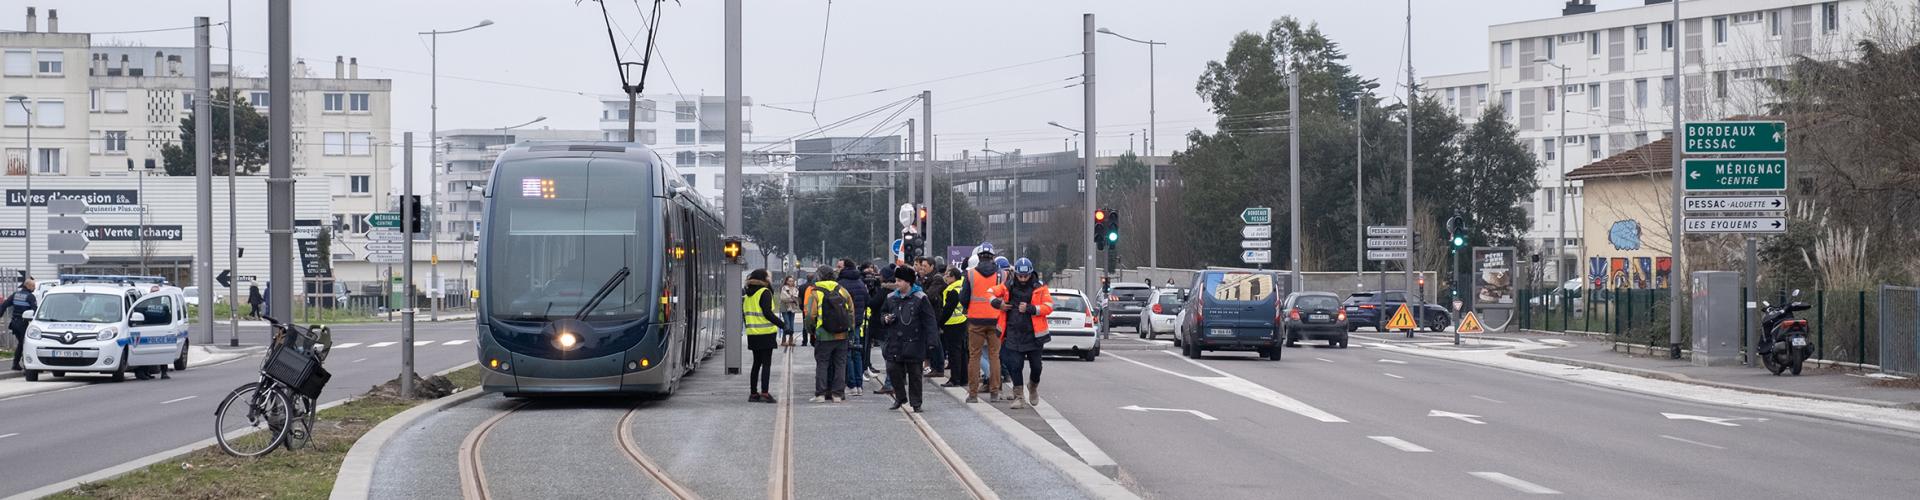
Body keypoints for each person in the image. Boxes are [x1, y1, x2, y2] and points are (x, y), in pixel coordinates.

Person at [874, 267, 938, 412]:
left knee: (915, 374)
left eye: (900, 280)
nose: (896, 283)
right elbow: (883, 313)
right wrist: (885, 318)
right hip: (895, 341)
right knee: (892, 369)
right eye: (896, 280)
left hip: (914, 341)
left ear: (908, 282)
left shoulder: (920, 297)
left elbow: (930, 320)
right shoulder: (891, 297)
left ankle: (916, 403)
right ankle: (900, 397)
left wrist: (932, 341)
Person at [996, 258, 1052, 409]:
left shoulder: (1040, 288)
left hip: (1034, 334)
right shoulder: (1008, 286)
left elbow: (1048, 307)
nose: (1022, 279)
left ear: (1030, 274)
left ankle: (1033, 386)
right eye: (1019, 276)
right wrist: (998, 303)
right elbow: (991, 293)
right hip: (1013, 332)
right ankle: (1019, 396)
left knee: (1036, 366)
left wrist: (1031, 309)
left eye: (1025, 276)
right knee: (1015, 365)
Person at [956, 243, 1006, 403]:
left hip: (975, 320)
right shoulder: (1002, 275)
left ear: (978, 257)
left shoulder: (970, 274)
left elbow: (963, 297)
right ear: (993, 256)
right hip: (996, 320)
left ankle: (972, 394)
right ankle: (994, 393)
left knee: (974, 356)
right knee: (994, 356)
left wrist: (968, 307)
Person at [804, 266, 853, 403]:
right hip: (842, 334)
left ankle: (820, 393)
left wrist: (811, 330)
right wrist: (850, 329)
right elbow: (851, 312)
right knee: (840, 364)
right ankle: (837, 394)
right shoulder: (843, 291)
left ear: (819, 276)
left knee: (822, 364)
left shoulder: (816, 293)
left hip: (823, 335)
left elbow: (810, 316)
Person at [743, 269, 788, 403]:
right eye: (768, 276)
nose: (770, 278)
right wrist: (783, 325)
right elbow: (768, 313)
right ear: (764, 278)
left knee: (756, 363)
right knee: (766, 364)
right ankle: (765, 393)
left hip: (753, 334)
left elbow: (745, 315)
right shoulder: (765, 292)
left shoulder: (747, 295)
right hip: (766, 333)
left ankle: (753, 393)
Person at [836, 261, 871, 397]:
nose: (837, 269)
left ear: (845, 268)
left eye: (839, 267)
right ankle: (859, 384)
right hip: (857, 323)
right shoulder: (860, 282)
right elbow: (867, 300)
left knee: (847, 353)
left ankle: (851, 384)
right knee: (857, 352)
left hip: (845, 323)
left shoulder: (841, 284)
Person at [913, 257, 946, 378]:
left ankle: (939, 367)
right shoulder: (926, 278)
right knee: (932, 341)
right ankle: (935, 366)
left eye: (925, 267)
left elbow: (929, 295)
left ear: (932, 266)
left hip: (935, 314)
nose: (923, 269)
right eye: (922, 267)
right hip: (929, 313)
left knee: (935, 341)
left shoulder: (936, 279)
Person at [938, 267, 969, 388]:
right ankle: (963, 378)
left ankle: (954, 379)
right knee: (962, 352)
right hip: (963, 321)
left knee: (953, 353)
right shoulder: (963, 286)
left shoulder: (952, 290)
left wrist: (940, 323)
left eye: (947, 275)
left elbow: (947, 310)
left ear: (953, 277)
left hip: (952, 324)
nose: (945, 277)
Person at [2, 279, 37, 371]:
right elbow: (35, 311)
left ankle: (16, 364)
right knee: (25, 344)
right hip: (23, 323)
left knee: (22, 343)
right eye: (33, 286)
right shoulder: (30, 297)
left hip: (14, 323)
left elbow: (4, 304)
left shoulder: (15, 295)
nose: (35, 288)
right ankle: (26, 365)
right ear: (28, 286)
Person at [779, 275, 801, 348]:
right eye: (789, 281)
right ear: (786, 281)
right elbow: (784, 298)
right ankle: (784, 340)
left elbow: (796, 297)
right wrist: (792, 299)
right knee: (787, 324)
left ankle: (791, 340)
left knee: (791, 324)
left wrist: (792, 299)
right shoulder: (784, 288)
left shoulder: (795, 289)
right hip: (785, 308)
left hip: (793, 309)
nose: (791, 282)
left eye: (792, 281)